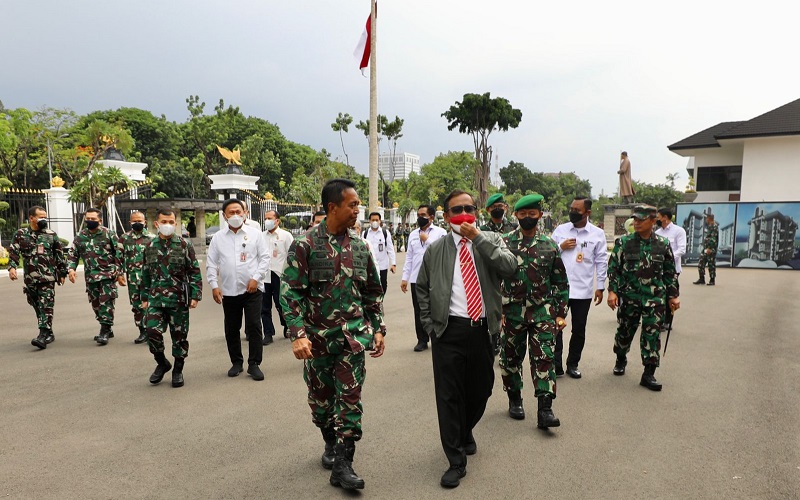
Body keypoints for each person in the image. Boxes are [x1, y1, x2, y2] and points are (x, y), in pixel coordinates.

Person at [281, 179, 386, 491]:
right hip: (317, 342)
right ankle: (329, 439)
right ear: (332, 207)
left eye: (358, 205)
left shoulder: (360, 247)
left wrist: (378, 328)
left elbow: (372, 293)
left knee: (350, 401)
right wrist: (298, 334)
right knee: (321, 403)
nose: (358, 210)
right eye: (352, 205)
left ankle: (344, 463)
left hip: (352, 340)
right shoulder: (306, 245)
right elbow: (290, 294)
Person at [416, 189, 517, 488]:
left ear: (476, 212)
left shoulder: (492, 240)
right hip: (449, 331)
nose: (464, 215)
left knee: (482, 389)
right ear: (446, 217)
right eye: (456, 210)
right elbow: (422, 287)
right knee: (448, 396)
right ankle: (455, 460)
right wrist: (430, 325)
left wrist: (479, 239)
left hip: (483, 329)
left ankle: (464, 430)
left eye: (469, 208)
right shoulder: (436, 249)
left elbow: (510, 267)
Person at [499, 194, 569, 428]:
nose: (527, 217)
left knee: (544, 359)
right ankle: (515, 399)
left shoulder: (550, 245)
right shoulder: (505, 243)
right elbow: (493, 278)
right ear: (516, 215)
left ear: (539, 215)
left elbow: (560, 282)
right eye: (522, 214)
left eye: (532, 214)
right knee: (511, 359)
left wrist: (560, 313)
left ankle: (545, 409)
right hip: (511, 312)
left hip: (542, 312)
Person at [607, 205, 680, 391]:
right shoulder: (624, 243)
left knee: (652, 335)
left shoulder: (662, 244)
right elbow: (614, 268)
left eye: (641, 219)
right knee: (625, 331)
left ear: (653, 221)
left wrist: (673, 296)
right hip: (630, 296)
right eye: (635, 219)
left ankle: (649, 373)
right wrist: (612, 291)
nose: (636, 222)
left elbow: (670, 273)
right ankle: (620, 358)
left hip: (654, 299)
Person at [206, 198, 270, 381]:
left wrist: (256, 278)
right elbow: (211, 263)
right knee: (232, 328)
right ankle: (236, 362)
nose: (235, 215)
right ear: (224, 216)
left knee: (254, 325)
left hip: (252, 290)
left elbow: (264, 258)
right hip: (229, 291)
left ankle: (254, 364)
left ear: (245, 213)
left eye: (238, 212)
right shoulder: (218, 238)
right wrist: (214, 286)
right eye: (231, 213)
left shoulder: (255, 234)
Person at [141, 209, 203, 388]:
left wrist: (195, 295)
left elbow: (194, 272)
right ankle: (162, 363)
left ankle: (178, 369)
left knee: (179, 337)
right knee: (151, 331)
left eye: (171, 222)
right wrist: (144, 297)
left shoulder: (184, 245)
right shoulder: (150, 246)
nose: (167, 225)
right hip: (155, 299)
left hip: (178, 299)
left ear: (175, 224)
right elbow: (145, 273)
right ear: (156, 224)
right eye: (164, 221)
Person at [550, 197, 608, 378]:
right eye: (571, 208)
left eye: (577, 210)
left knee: (579, 329)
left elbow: (601, 261)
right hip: (559, 289)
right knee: (555, 327)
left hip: (582, 290)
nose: (573, 212)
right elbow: (546, 253)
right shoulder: (561, 230)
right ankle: (556, 364)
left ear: (588, 213)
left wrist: (600, 287)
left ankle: (573, 364)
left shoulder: (597, 234)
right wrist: (561, 246)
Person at [7, 206, 68, 349]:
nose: (43, 219)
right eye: (40, 217)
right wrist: (12, 267)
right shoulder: (21, 234)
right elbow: (14, 252)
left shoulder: (50, 234)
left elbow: (59, 254)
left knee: (46, 304)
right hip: (30, 278)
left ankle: (42, 335)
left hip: (47, 278)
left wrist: (62, 272)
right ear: (31, 218)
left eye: (45, 216)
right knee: (37, 305)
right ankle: (49, 332)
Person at [68, 208, 125, 345]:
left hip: (108, 275)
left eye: (93, 219)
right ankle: (106, 326)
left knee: (106, 302)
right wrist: (71, 269)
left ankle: (104, 330)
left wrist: (119, 272)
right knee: (96, 304)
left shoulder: (109, 234)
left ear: (100, 220)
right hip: (91, 276)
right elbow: (73, 253)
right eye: (88, 218)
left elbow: (119, 253)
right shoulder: (80, 236)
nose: (90, 221)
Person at [401, 205, 448, 352]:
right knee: (419, 310)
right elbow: (409, 257)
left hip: (434, 277)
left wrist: (427, 240)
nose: (420, 217)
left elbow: (442, 253)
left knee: (436, 308)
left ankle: (437, 336)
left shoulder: (441, 233)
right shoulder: (413, 234)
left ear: (432, 217)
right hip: (416, 278)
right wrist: (404, 278)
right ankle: (422, 340)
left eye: (423, 215)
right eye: (419, 214)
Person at [479, 192, 517, 355]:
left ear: (506, 208)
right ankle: (494, 340)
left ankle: (509, 342)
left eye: (500, 207)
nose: (498, 209)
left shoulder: (514, 228)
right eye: (494, 207)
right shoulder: (482, 230)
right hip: (491, 275)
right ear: (488, 210)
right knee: (493, 308)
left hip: (509, 275)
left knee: (510, 312)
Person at [120, 211, 155, 344]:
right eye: (134, 221)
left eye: (140, 221)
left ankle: (152, 332)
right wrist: (119, 274)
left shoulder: (152, 238)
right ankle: (142, 331)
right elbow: (119, 257)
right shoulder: (124, 238)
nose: (137, 223)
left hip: (149, 279)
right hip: (133, 279)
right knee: (136, 306)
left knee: (150, 305)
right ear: (130, 223)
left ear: (145, 222)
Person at [261, 210, 294, 344]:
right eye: (265, 218)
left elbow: (291, 255)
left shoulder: (285, 236)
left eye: (269, 218)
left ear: (277, 221)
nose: (267, 221)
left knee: (281, 304)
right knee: (264, 307)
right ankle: (268, 333)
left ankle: (286, 325)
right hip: (264, 275)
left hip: (280, 275)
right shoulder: (261, 236)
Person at [655, 207, 686, 330]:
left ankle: (668, 321)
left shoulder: (679, 231)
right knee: (659, 295)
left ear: (665, 217)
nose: (657, 219)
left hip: (673, 269)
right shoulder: (657, 233)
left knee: (670, 295)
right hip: (659, 269)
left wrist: (668, 258)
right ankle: (660, 320)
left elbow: (681, 249)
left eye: (659, 216)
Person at [363, 212, 396, 294]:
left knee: (383, 285)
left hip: (382, 265)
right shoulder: (365, 234)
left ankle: (380, 301)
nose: (375, 222)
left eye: (376, 220)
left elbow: (390, 249)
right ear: (369, 221)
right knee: (370, 285)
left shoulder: (385, 233)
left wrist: (393, 264)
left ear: (380, 221)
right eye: (373, 220)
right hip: (369, 265)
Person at [694, 212, 718, 286]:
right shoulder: (710, 226)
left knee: (711, 265)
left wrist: (709, 248)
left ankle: (712, 280)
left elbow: (713, 239)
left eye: (706, 218)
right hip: (705, 248)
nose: (706, 220)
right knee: (701, 263)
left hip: (710, 249)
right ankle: (701, 279)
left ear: (709, 218)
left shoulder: (714, 226)